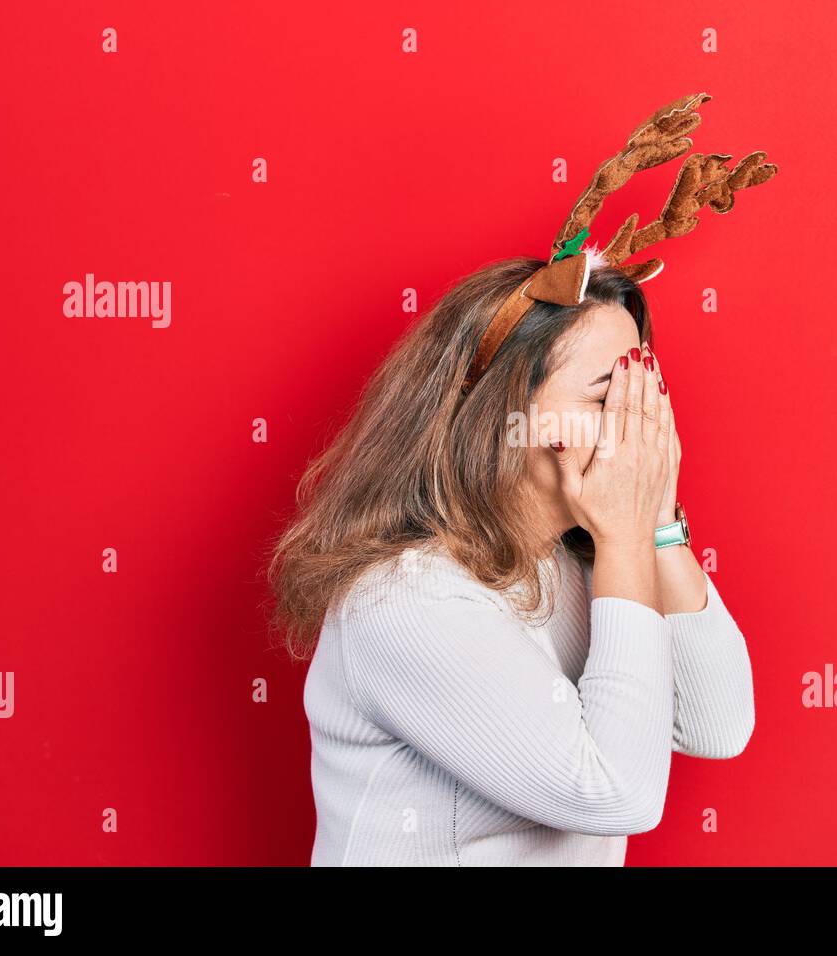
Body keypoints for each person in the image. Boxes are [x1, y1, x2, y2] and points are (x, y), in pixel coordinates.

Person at [266, 91, 771, 865]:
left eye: (645, 387)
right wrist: (626, 539)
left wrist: (656, 521)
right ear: (504, 415)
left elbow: (717, 723)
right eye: (610, 395)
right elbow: (619, 794)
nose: (641, 422)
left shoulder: (581, 561)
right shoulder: (407, 598)